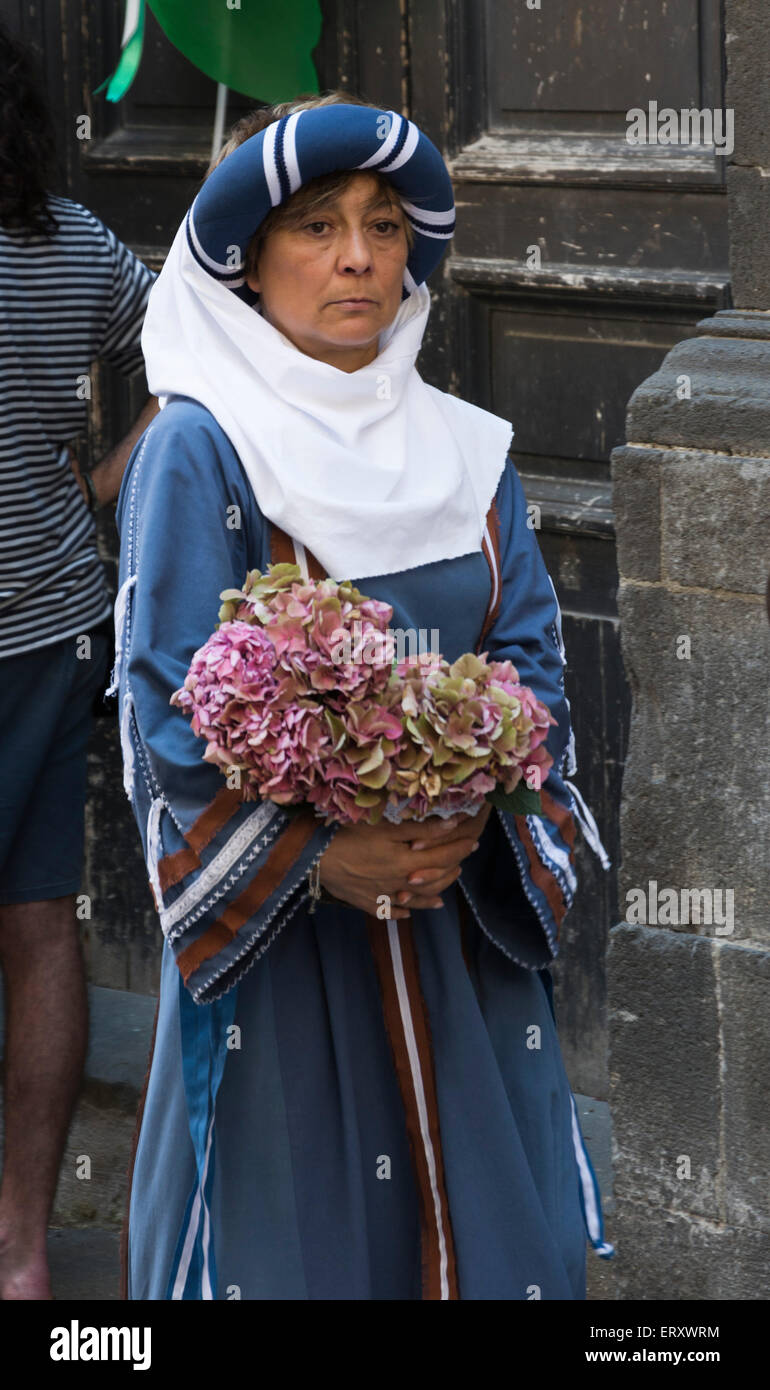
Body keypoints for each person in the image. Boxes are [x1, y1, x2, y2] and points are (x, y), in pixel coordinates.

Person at [114, 91, 613, 1300]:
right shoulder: (204, 446)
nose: (357, 257)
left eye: (384, 226)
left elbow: (531, 661)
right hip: (292, 959)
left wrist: (457, 817)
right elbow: (167, 702)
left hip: (455, 926)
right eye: (316, 225)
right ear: (245, 260)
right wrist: (325, 857)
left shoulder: (466, 450)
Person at [0, 22, 159, 1300]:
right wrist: (104, 477)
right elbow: (193, 349)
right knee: (42, 931)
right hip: (55, 628)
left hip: (44, 633)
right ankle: (25, 1253)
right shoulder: (72, 245)